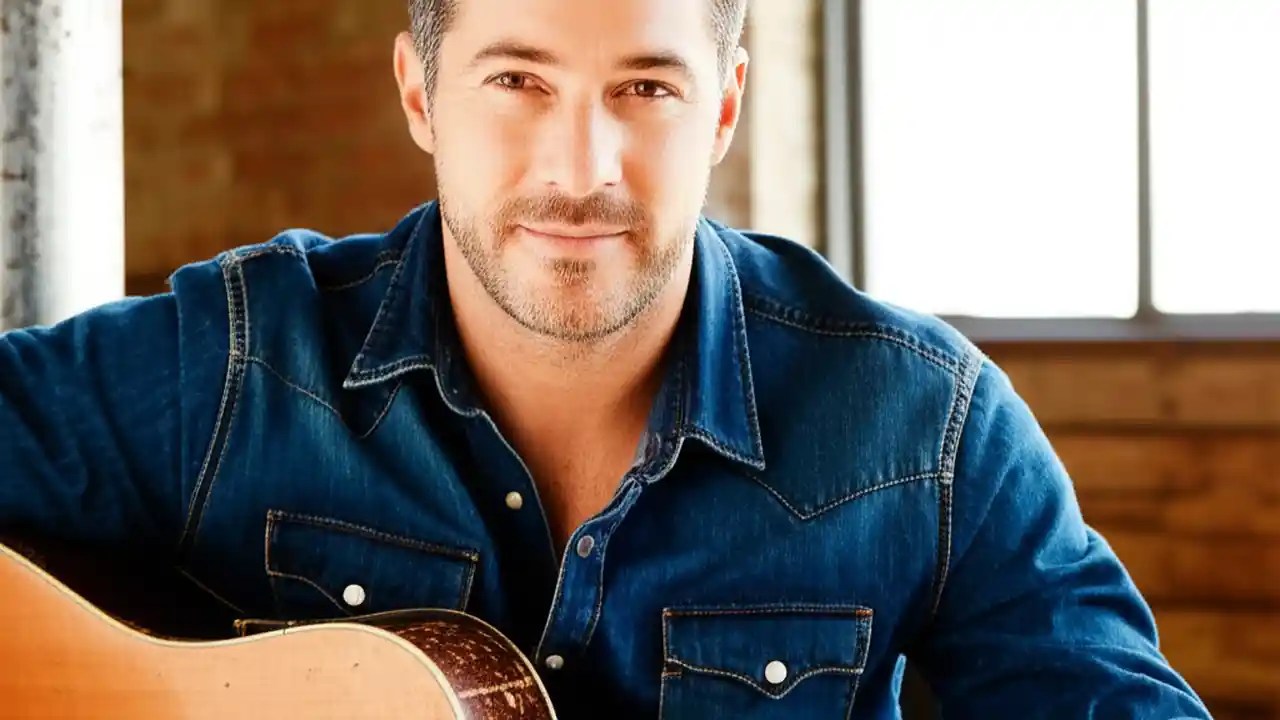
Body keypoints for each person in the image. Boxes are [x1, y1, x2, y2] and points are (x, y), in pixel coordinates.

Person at [0, 0, 1211, 717]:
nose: (579, 168)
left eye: (643, 87)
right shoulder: (242, 363)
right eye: (517, 80)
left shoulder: (922, 428)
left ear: (725, 107)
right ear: (419, 92)